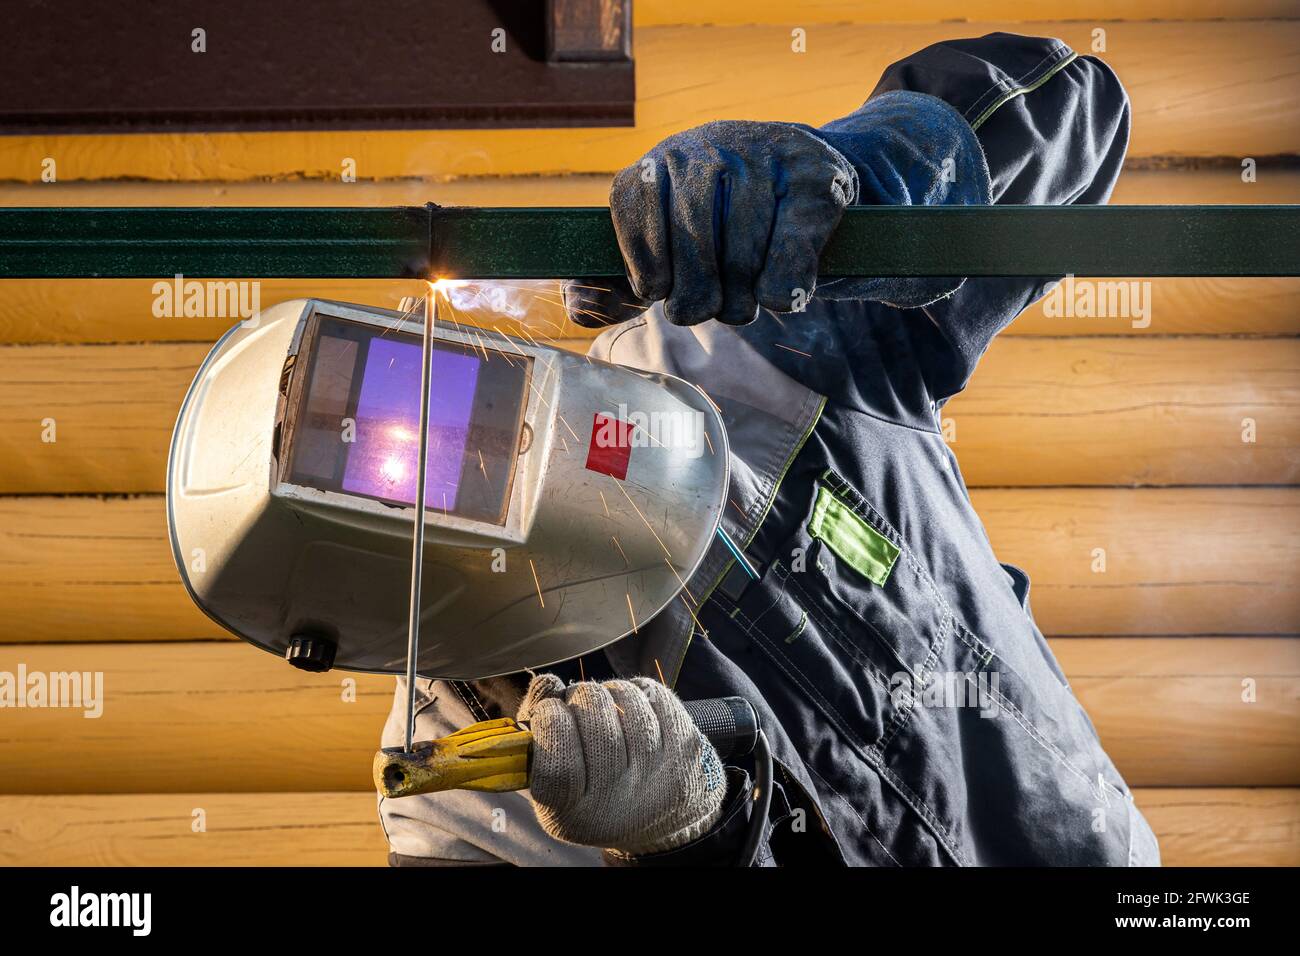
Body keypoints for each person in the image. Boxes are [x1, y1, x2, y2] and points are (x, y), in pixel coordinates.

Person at [378, 31, 1162, 867]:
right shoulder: (454, 796)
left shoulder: (730, 359)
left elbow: (1071, 107)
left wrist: (863, 183)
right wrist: (693, 842)